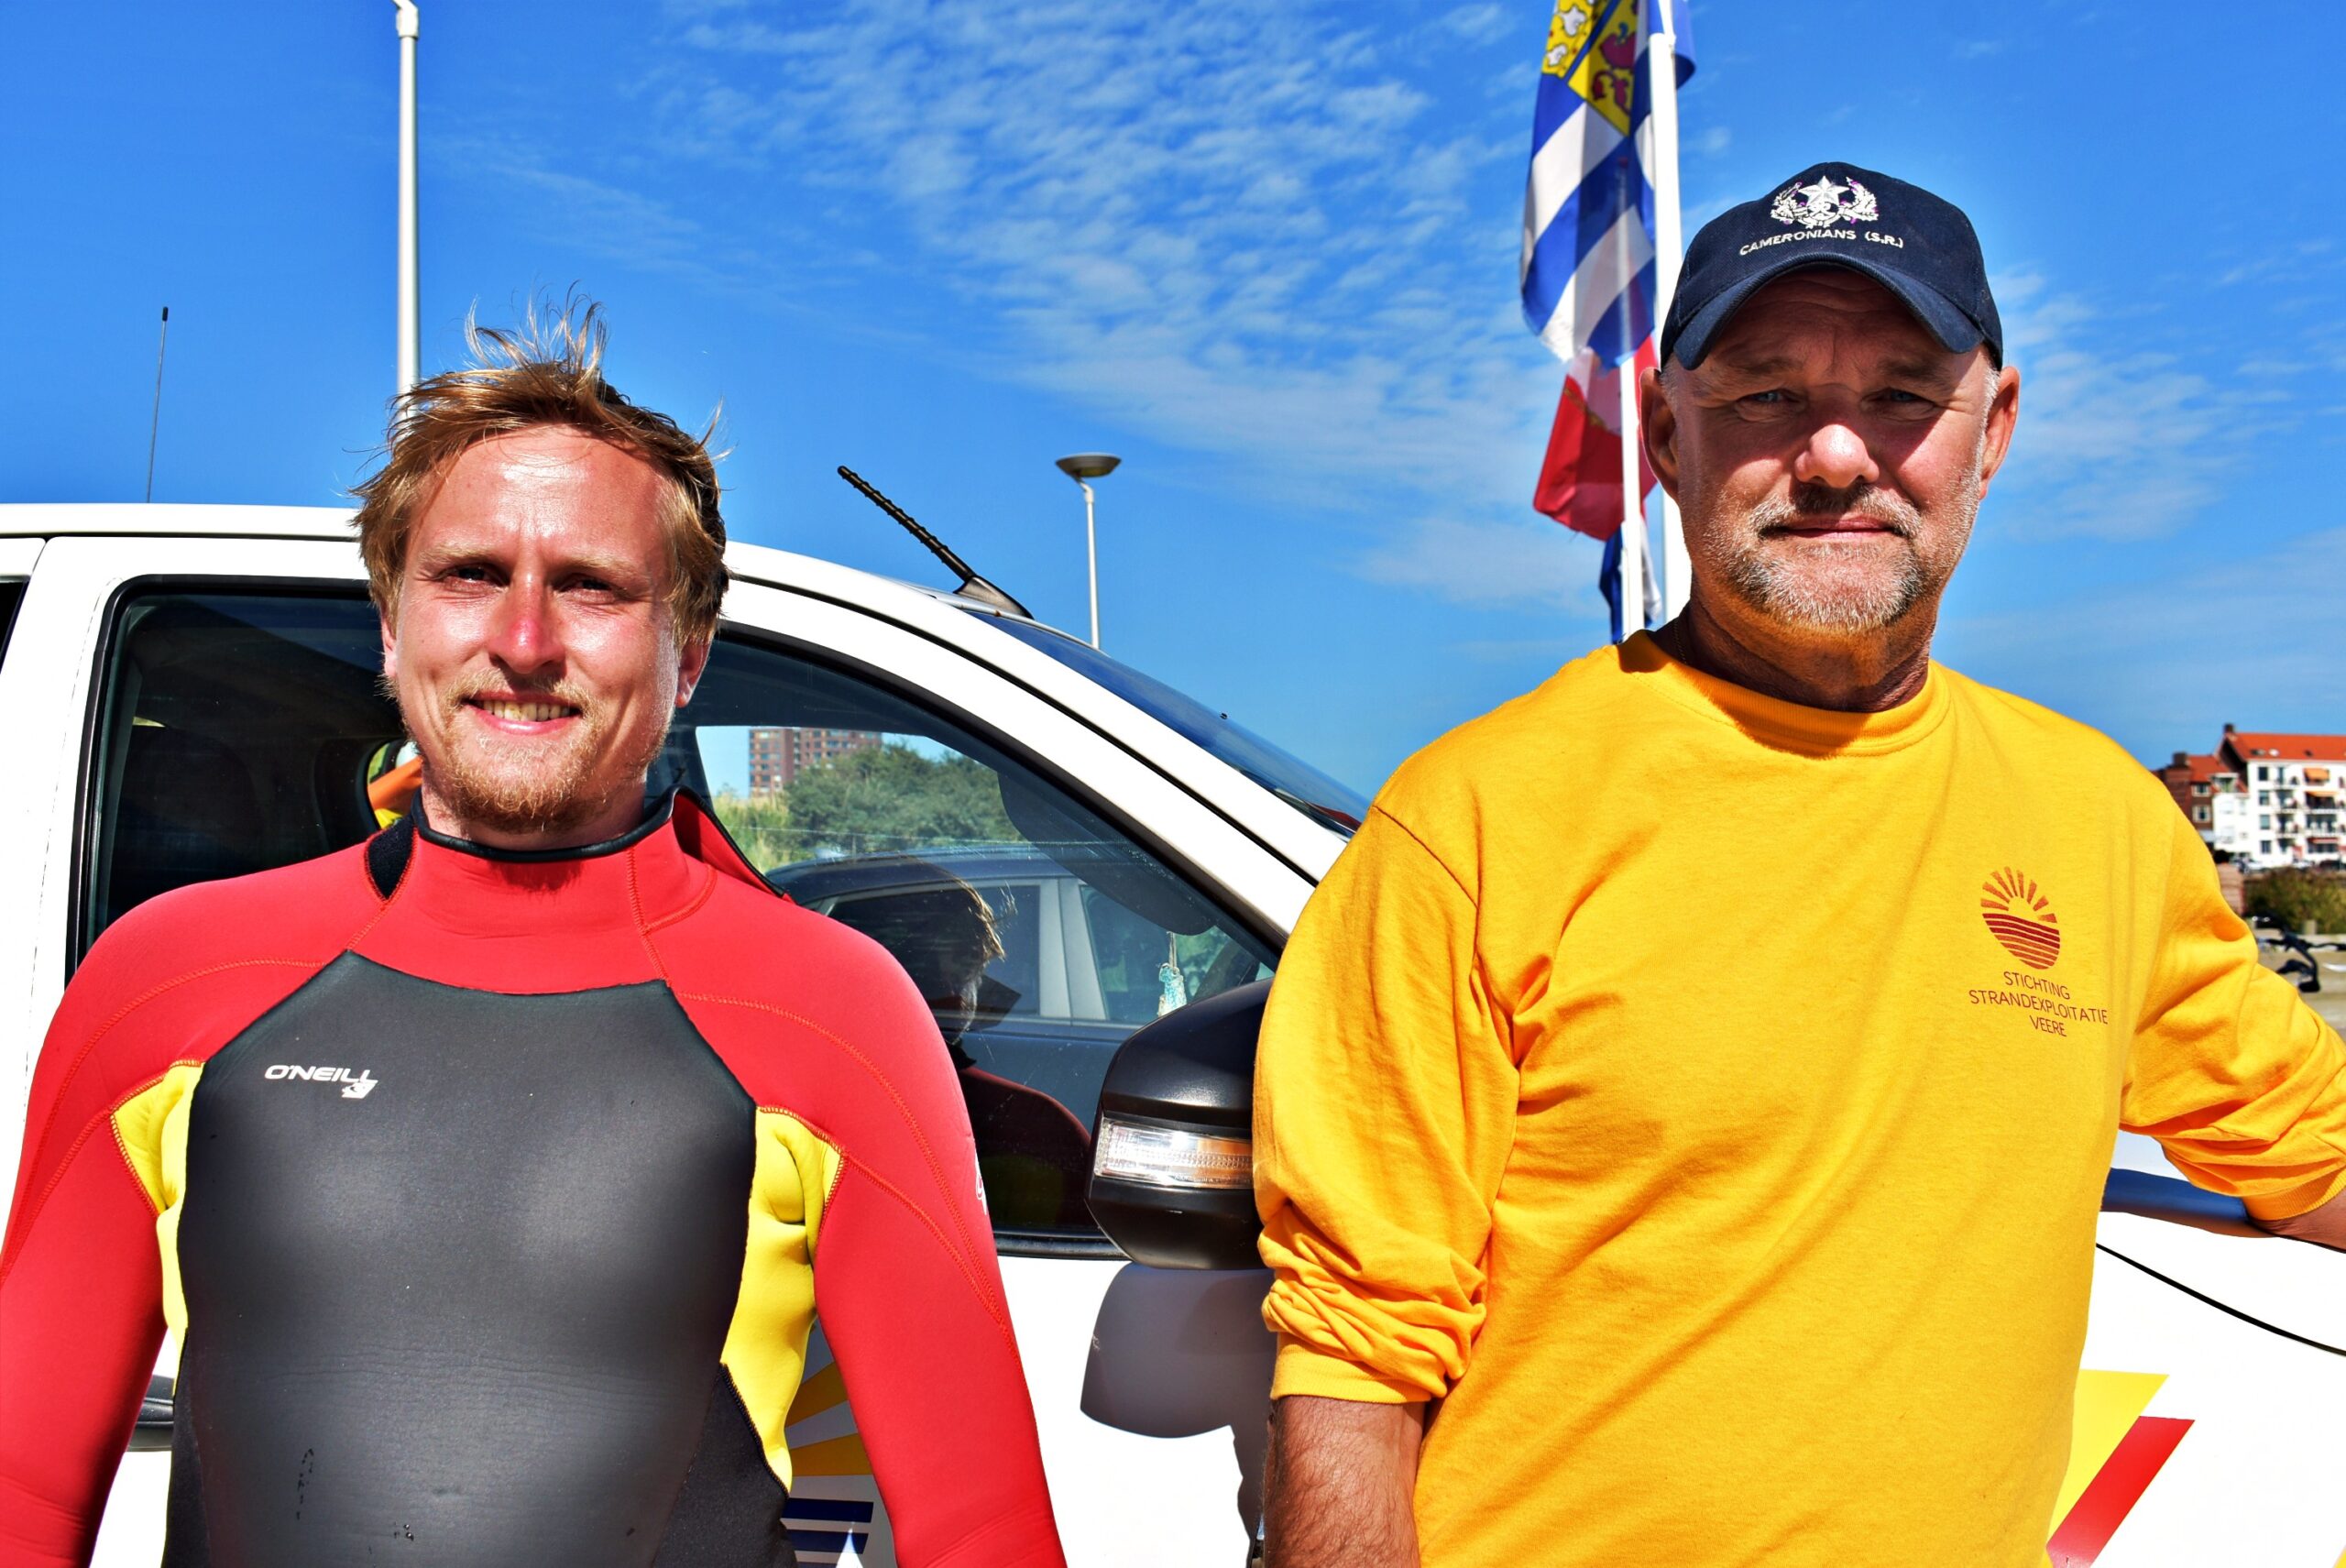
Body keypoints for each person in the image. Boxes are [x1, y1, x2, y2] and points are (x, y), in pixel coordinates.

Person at [1251, 164, 2346, 1568]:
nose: (1835, 456)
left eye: (1903, 395)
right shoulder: (1472, 823)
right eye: (1767, 395)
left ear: (1994, 430)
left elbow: (2309, 1145)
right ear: (1665, 433)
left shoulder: (2103, 824)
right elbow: (1354, 1353)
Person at [0, 305, 1066, 1568]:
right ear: (390, 624)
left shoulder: (829, 1009)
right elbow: (21, 1492)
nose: (522, 642)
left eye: (591, 586)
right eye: (468, 575)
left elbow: (983, 1533)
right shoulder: (168, 979)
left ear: (690, 657)